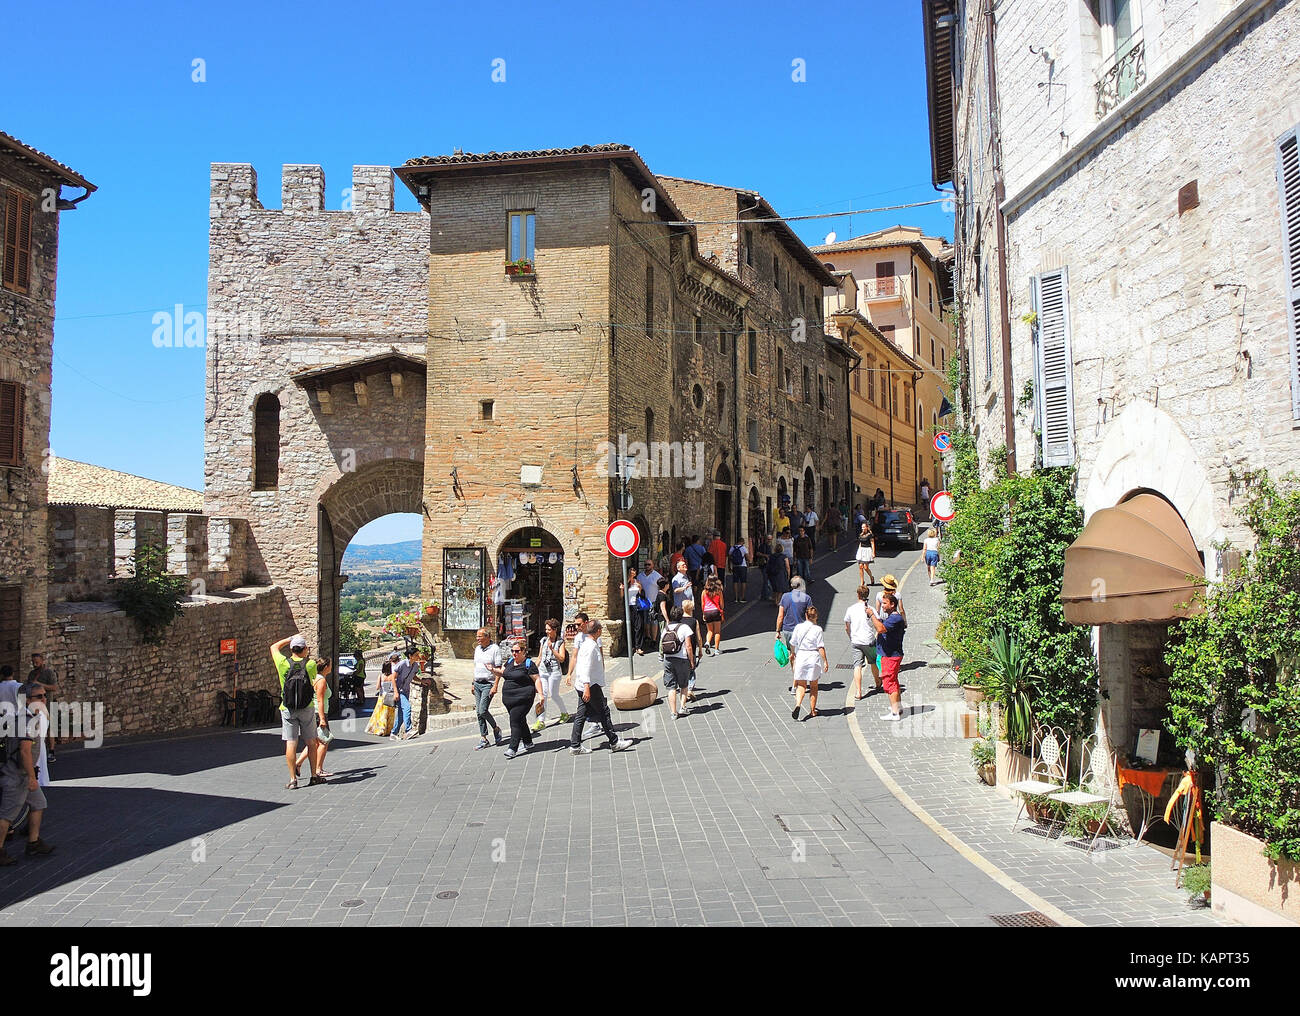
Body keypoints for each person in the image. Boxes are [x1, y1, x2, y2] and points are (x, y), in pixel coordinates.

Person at [0, 683, 54, 864]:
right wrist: (31, 777)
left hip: (24, 775)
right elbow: (24, 751)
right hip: (17, 776)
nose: (44, 699)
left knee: (39, 803)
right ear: (28, 700)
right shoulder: (27, 720)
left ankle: (33, 842)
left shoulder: (30, 717)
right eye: (39, 696)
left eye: (44, 695)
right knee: (8, 815)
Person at [569, 621, 632, 754]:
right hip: (590, 685)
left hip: (584, 684)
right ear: (597, 631)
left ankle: (575, 745)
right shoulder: (590, 646)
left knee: (581, 714)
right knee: (603, 712)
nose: (602, 630)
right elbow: (585, 666)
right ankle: (614, 742)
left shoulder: (588, 644)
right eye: (601, 628)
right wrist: (586, 686)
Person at [271, 634, 321, 789]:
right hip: (306, 707)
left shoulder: (282, 663)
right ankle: (313, 776)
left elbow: (273, 647)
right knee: (311, 742)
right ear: (305, 649)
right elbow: (313, 681)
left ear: (292, 649)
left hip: (287, 708)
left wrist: (289, 639)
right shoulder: (311, 664)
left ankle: (293, 779)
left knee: (291, 743)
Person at [496, 640, 543, 759]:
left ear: (523, 652)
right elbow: (502, 672)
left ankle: (513, 748)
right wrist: (492, 670)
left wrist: (541, 695)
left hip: (523, 698)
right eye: (512, 651)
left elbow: (537, 679)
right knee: (520, 720)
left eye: (517, 651)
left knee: (515, 721)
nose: (514, 653)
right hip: (509, 698)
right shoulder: (510, 661)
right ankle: (528, 742)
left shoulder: (529, 664)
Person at [872, 591, 907, 721]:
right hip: (890, 654)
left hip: (891, 655)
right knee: (894, 681)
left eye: (885, 603)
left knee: (889, 683)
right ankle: (898, 707)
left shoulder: (895, 618)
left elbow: (880, 629)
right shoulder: (892, 617)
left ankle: (894, 713)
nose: (882, 605)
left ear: (892, 604)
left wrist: (872, 616)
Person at [296, 658, 334, 779]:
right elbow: (320, 700)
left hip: (315, 712)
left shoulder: (315, 678)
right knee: (324, 741)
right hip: (319, 713)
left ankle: (298, 763)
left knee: (314, 742)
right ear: (326, 667)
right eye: (331, 665)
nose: (332, 667)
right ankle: (318, 769)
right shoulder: (321, 680)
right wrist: (322, 718)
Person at [533, 619, 572, 732]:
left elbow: (562, 658)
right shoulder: (543, 640)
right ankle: (540, 721)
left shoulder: (560, 642)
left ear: (555, 630)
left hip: (554, 672)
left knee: (554, 695)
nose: (547, 632)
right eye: (546, 629)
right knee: (543, 696)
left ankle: (564, 713)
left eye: (549, 630)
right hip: (543, 671)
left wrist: (552, 649)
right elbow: (540, 657)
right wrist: (533, 669)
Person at [790, 605, 828, 720]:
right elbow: (820, 647)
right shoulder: (818, 629)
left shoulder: (798, 627)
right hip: (813, 657)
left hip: (801, 655)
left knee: (801, 685)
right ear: (816, 616)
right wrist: (825, 661)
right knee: (814, 686)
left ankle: (798, 705)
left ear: (806, 615)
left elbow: (793, 643)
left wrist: (792, 653)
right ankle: (812, 710)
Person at [844, 584, 882, 700]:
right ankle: (877, 683)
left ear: (858, 595)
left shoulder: (851, 609)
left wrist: (851, 637)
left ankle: (858, 692)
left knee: (857, 666)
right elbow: (878, 623)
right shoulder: (871, 609)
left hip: (856, 641)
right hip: (869, 640)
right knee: (873, 662)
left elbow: (847, 626)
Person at [471, 628, 506, 750]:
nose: (477, 638)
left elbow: (498, 668)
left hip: (488, 684)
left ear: (487, 636)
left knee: (482, 710)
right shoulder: (477, 649)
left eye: (479, 636)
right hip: (477, 683)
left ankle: (496, 728)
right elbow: (476, 667)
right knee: (478, 713)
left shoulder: (495, 649)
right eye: (477, 636)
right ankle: (484, 738)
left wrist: (496, 685)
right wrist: (472, 682)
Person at [775, 576, 812, 686]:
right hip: (802, 631)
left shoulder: (785, 597)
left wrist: (778, 631)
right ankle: (799, 681)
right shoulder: (806, 598)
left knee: (793, 655)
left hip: (788, 630)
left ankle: (796, 682)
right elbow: (810, 616)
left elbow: (780, 616)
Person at [661, 606, 696, 719]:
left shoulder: (666, 628)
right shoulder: (684, 627)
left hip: (668, 659)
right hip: (681, 659)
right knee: (684, 685)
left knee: (671, 687)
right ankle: (682, 707)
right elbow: (689, 646)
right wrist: (691, 661)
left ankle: (673, 713)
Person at [26, 653, 59, 763]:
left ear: (42, 661)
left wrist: (39, 684)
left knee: (50, 729)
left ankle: (51, 751)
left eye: (37, 662)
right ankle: (40, 752)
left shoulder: (49, 672)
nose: (35, 664)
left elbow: (54, 687)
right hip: (35, 706)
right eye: (33, 662)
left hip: (48, 703)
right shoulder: (31, 674)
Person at [392, 648, 420, 740]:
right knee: (407, 707)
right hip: (399, 691)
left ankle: (394, 733)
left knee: (401, 713)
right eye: (416, 655)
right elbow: (393, 677)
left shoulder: (415, 665)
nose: (418, 657)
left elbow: (414, 676)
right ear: (410, 656)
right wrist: (395, 692)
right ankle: (408, 730)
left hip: (406, 690)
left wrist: (422, 681)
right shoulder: (402, 664)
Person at [366, 659, 397, 736]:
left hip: (382, 696)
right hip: (390, 695)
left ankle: (381, 729)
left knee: (380, 713)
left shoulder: (381, 676)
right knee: (389, 714)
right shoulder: (392, 676)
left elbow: (377, 687)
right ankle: (389, 729)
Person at [623, 567, 646, 656]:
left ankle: (638, 647)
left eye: (635, 570)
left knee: (639, 626)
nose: (634, 572)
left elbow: (642, 595)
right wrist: (623, 587)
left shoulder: (638, 582)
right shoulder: (626, 582)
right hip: (628, 606)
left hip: (637, 606)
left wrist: (640, 589)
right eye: (632, 570)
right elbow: (622, 596)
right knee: (630, 626)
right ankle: (631, 645)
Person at [701, 575, 725, 657]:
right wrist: (722, 610)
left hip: (707, 612)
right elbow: (721, 603)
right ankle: (716, 649)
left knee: (709, 630)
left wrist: (703, 613)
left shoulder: (704, 591)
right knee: (717, 631)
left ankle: (707, 642)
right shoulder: (718, 591)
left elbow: (703, 604)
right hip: (715, 611)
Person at [765, 538, 790, 604]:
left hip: (772, 574)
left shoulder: (771, 556)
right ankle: (778, 601)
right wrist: (788, 575)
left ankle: (775, 599)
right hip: (780, 574)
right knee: (780, 589)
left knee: (775, 588)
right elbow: (787, 567)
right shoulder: (784, 556)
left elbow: (768, 564)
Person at [856, 517, 876, 586]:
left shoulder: (870, 535)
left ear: (867, 527)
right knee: (861, 566)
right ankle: (862, 581)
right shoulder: (861, 535)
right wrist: (858, 551)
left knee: (866, 567)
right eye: (862, 527)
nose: (863, 528)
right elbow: (860, 543)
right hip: (861, 550)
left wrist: (873, 553)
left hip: (867, 550)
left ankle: (871, 577)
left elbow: (872, 544)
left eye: (864, 527)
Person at [728, 539, 750, 603]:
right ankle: (742, 597)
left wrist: (729, 566)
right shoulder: (743, 548)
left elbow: (729, 558)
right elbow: (748, 558)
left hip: (735, 566)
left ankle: (736, 597)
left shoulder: (732, 548)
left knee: (735, 582)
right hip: (742, 566)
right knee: (743, 581)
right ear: (742, 542)